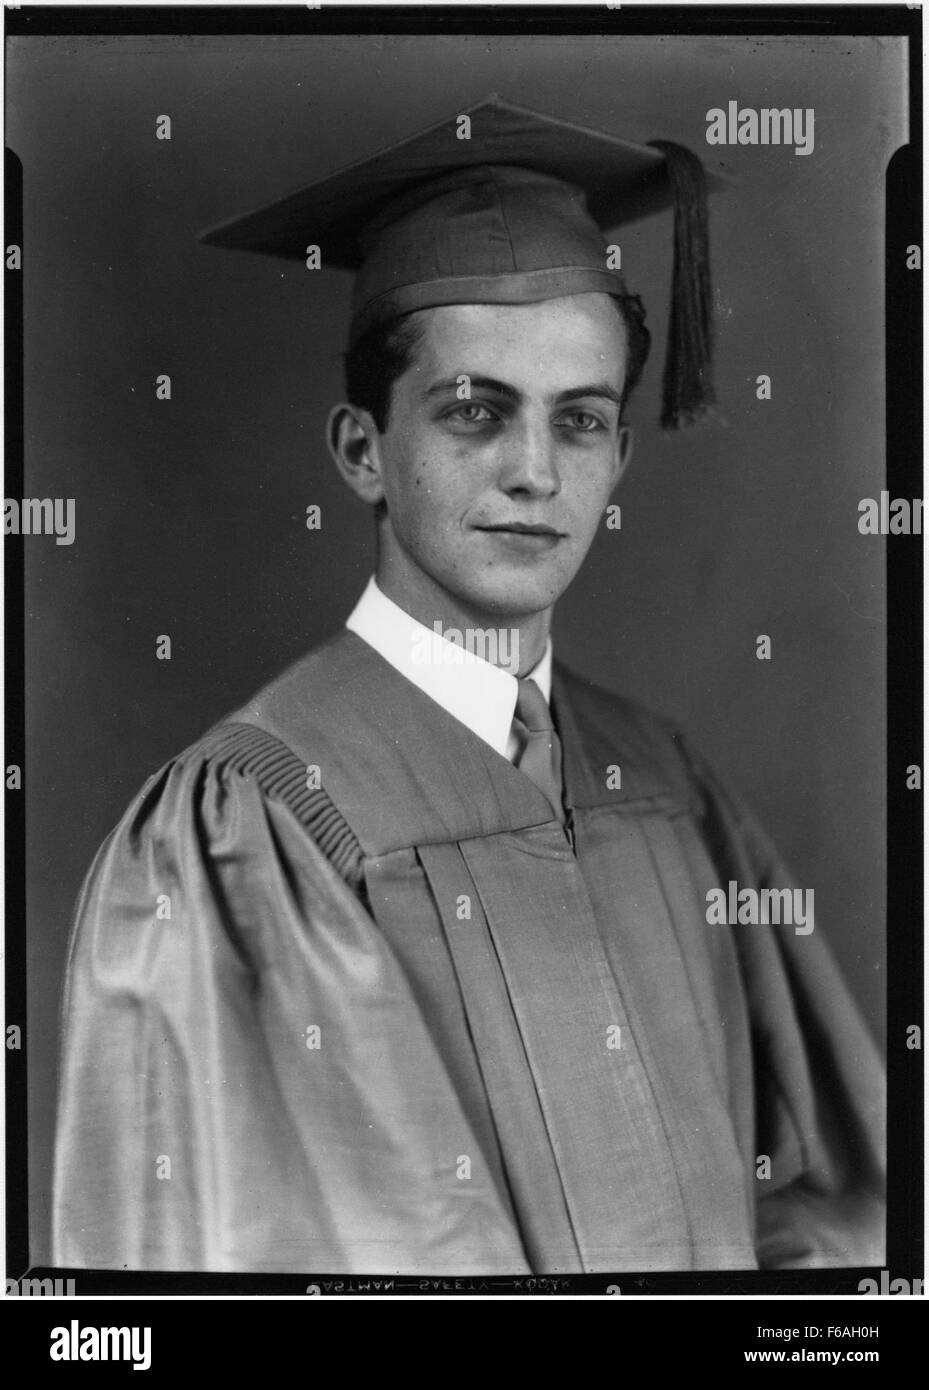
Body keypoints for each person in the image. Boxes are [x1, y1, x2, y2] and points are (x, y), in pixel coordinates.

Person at [52, 97, 884, 1275]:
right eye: (474, 412)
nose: (533, 472)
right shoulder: (252, 830)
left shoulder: (666, 783)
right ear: (360, 450)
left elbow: (822, 1212)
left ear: (617, 461)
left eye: (579, 421)